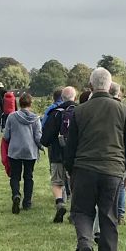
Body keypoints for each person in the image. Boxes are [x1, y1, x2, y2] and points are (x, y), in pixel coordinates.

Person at [64, 68, 126, 251]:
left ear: (90, 86)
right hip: (113, 170)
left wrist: (70, 170)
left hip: (84, 168)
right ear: (110, 85)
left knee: (81, 211)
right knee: (108, 216)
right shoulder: (125, 111)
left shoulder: (79, 111)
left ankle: (86, 242)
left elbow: (71, 147)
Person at [41, 86, 77, 223]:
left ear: (62, 97)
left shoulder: (55, 113)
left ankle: (60, 202)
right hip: (75, 156)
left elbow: (45, 138)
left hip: (57, 154)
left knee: (57, 182)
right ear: (75, 96)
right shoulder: (81, 112)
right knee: (74, 184)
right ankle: (74, 212)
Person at [3, 92, 42, 213]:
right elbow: (38, 137)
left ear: (19, 103)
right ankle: (27, 202)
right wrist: (41, 146)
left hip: (15, 150)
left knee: (15, 175)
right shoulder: (35, 119)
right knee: (28, 176)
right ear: (30, 103)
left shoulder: (12, 117)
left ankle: (16, 195)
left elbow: (6, 135)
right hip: (30, 151)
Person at [109, 81, 126, 223]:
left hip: (110, 153)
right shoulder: (125, 109)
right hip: (121, 154)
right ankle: (120, 213)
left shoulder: (105, 109)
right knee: (120, 185)